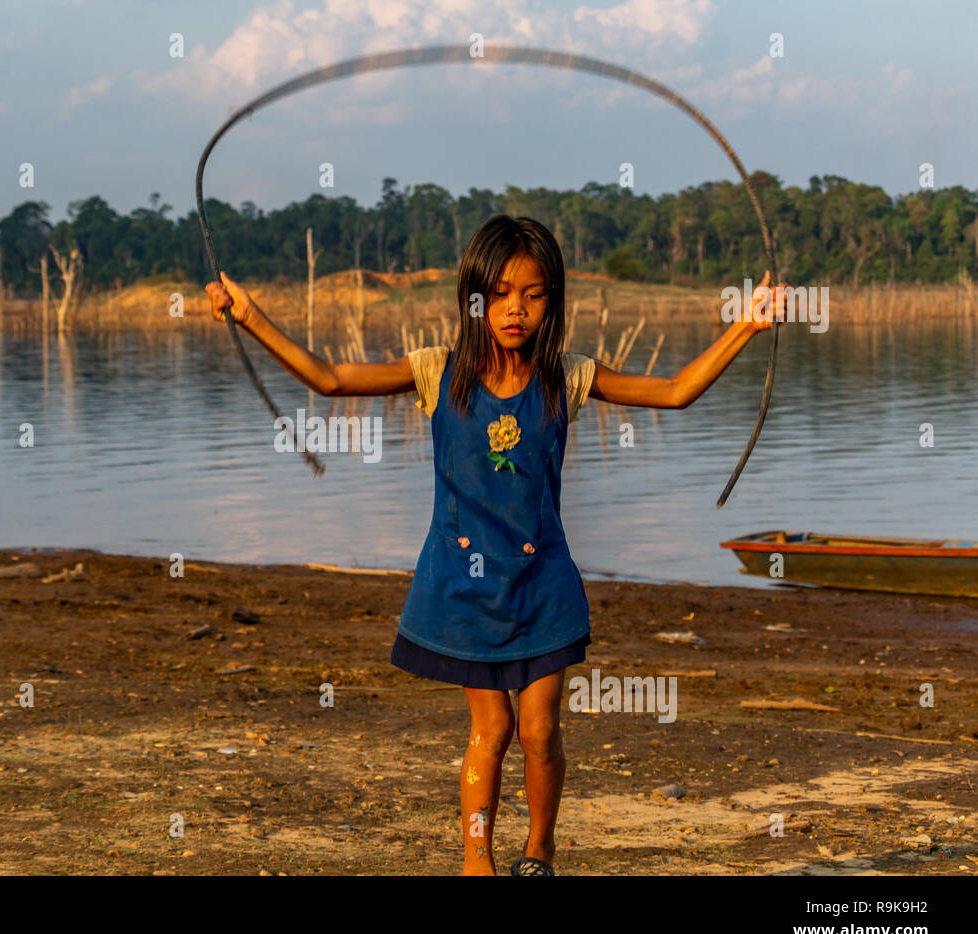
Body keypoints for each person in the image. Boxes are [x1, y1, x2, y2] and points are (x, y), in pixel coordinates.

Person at [206, 213, 785, 875]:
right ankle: (474, 858)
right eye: (502, 293)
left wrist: (747, 323)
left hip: (543, 586)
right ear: (474, 297)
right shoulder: (436, 372)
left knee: (539, 728)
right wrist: (249, 315)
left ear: (552, 302)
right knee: (494, 728)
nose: (516, 309)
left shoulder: (567, 376)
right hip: (462, 586)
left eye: (533, 295)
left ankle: (540, 850)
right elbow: (330, 379)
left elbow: (677, 391)